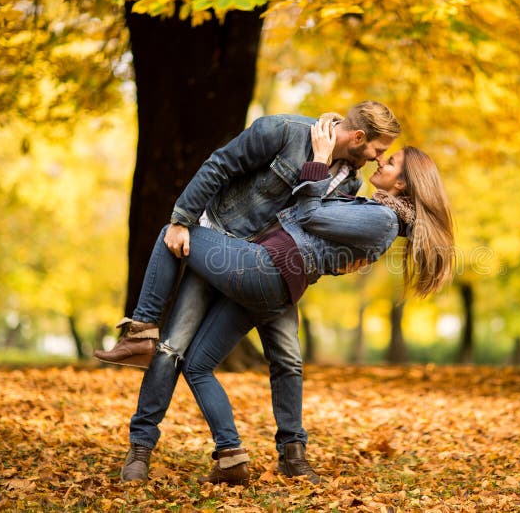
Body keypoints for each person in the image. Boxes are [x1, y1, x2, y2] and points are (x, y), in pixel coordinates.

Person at [108, 120, 454, 485]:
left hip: (264, 268)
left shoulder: (379, 216)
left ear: (401, 184)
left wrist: (318, 163)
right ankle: (229, 455)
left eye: (389, 159)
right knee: (194, 363)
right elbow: (229, 169)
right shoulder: (295, 137)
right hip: (254, 259)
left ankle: (141, 329)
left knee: (172, 232)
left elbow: (309, 216)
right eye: (381, 152)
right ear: (358, 136)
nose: (379, 161)